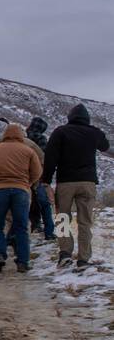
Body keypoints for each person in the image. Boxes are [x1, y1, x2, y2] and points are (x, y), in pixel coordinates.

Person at [43, 103, 109, 269]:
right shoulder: (94, 132)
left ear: (70, 117)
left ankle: (65, 253)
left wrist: (46, 180)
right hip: (88, 182)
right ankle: (83, 259)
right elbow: (105, 146)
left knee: (63, 218)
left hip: (66, 182)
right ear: (87, 119)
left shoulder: (60, 132)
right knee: (85, 222)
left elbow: (50, 157)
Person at [0, 123, 42, 273]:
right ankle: (22, 262)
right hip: (21, 191)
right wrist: (27, 183)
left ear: (4, 135)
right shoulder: (28, 150)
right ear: (21, 135)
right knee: (21, 227)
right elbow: (37, 171)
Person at [24, 117, 56, 240]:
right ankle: (49, 232)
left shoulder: (23, 137)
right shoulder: (41, 139)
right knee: (44, 203)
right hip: (38, 176)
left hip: (23, 176)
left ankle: (33, 225)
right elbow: (45, 159)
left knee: (28, 204)